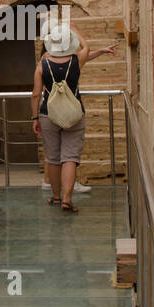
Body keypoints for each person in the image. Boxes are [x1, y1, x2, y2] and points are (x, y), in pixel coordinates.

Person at [31, 19, 103, 213]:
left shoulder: (42, 65)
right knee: (70, 157)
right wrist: (75, 30)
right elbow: (86, 47)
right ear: (68, 43)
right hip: (74, 113)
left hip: (48, 113)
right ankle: (67, 200)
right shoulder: (76, 61)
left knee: (52, 157)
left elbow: (36, 94)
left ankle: (55, 196)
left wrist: (35, 118)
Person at [40, 36, 118, 195]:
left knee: (54, 153)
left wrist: (102, 51)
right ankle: (62, 187)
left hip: (50, 108)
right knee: (65, 154)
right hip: (62, 107)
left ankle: (54, 189)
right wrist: (77, 32)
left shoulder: (47, 59)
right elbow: (83, 54)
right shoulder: (52, 58)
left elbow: (83, 57)